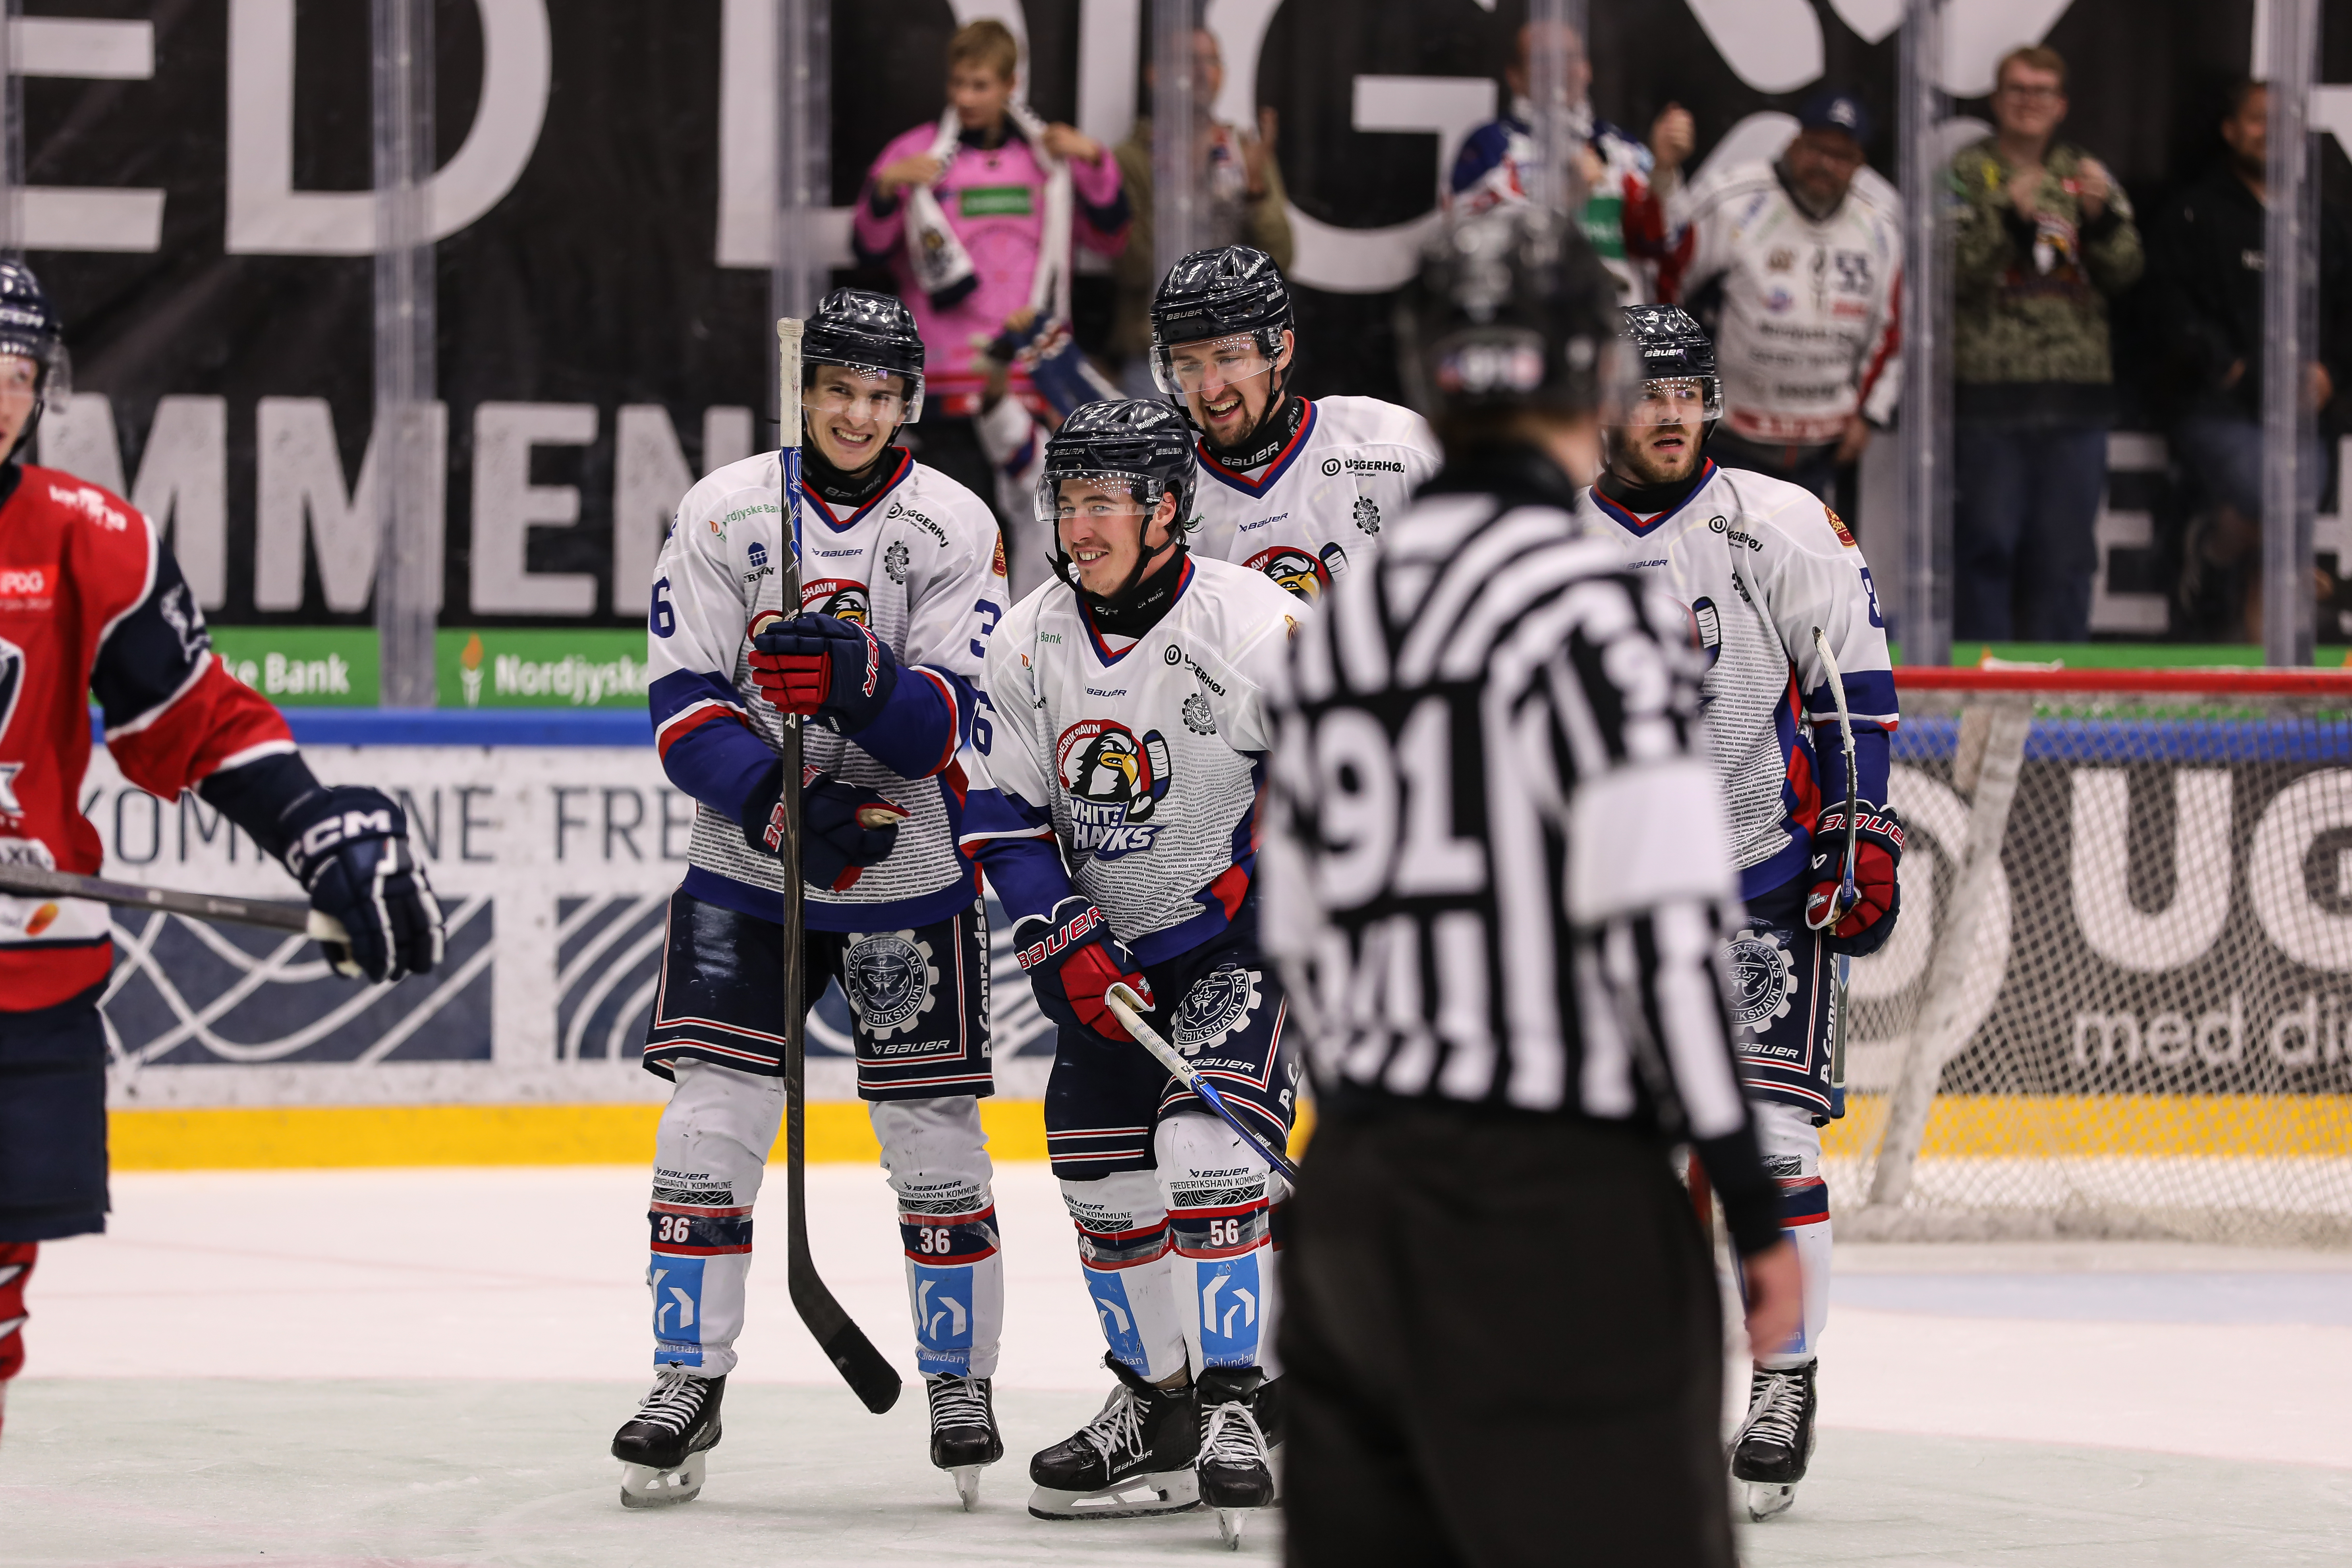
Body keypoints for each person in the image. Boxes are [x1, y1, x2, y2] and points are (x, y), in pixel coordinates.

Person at [1261, 206, 1802, 1566]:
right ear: (1592, 383)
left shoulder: (1342, 621)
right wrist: (1746, 1199)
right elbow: (1670, 938)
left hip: (1358, 1208)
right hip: (1557, 1212)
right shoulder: (1591, 602)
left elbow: (1303, 939)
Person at [0, 259, 444, 1440]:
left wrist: (312, 829)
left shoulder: (87, 539)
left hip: (28, 965)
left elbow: (197, 721)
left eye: (17, 371)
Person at [620, 289, 1010, 1508]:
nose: (856, 411)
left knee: (932, 1132)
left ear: (910, 401)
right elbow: (682, 703)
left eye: (880, 393)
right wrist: (773, 802)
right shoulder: (726, 507)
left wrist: (859, 678)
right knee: (708, 1122)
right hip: (752, 859)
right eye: (836, 388)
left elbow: (953, 717)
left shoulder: (955, 522)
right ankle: (688, 1374)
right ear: (808, 391)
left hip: (907, 860)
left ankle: (960, 1380)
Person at [957, 399, 1301, 1547]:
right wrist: (1053, 921)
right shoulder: (1029, 638)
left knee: (1204, 1148)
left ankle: (1239, 1405)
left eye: (1104, 500)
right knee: (1096, 1167)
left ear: (1164, 510)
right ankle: (1158, 1403)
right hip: (1104, 958)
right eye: (1068, 499)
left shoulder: (1252, 625)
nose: (1080, 524)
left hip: (1234, 940)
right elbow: (998, 801)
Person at [1580, 303, 1902, 1522]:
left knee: (1772, 1142)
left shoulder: (1779, 522)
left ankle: (1782, 1373)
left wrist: (1863, 828)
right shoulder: (1550, 541)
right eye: (1648, 391)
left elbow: (1854, 698)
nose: (1672, 411)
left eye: (1690, 390)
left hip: (1761, 884)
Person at [855, 18, 1129, 516]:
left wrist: (1094, 162)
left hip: (1034, 376)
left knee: (1048, 531)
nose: (966, 96)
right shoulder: (915, 155)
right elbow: (869, 252)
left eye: (980, 85)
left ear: (1010, 85)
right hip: (946, 381)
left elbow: (1112, 240)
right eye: (957, 83)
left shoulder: (1047, 161)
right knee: (956, 531)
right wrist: (885, 188)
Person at [2143, 77, 2352, 640]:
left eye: (2284, 122)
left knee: (2280, 509)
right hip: (2216, 409)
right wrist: (2232, 370)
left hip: (2302, 413)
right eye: (2258, 120)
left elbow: (2344, 316)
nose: (2270, 134)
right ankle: (2236, 555)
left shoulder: (2326, 224)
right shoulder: (2192, 214)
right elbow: (2170, 310)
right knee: (2278, 496)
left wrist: (2329, 373)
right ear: (2231, 131)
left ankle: (2218, 556)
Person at [1950, 43, 2143, 642]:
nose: (2028, 103)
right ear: (1996, 99)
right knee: (1986, 546)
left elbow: (2129, 273)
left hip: (2075, 394)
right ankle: (1978, 690)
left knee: (2064, 557)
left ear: (2060, 105)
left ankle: (2065, 703)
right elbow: (1947, 273)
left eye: (2041, 92)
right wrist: (2007, 215)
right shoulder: (1962, 173)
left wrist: (2101, 220)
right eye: (2017, 90)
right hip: (1989, 391)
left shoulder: (2088, 173)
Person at [1147, 245, 1440, 600]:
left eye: (1229, 359)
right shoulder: (1165, 507)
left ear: (1281, 350)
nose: (1210, 390)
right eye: (1189, 366)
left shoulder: (1393, 444)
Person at [1665, 91, 1902, 506]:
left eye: (1842, 155)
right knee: (1726, 567)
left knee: (1815, 570)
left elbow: (1894, 331)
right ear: (1794, 143)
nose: (1825, 165)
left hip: (1825, 449)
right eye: (1816, 148)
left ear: (1860, 162)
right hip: (1730, 440)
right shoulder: (1730, 200)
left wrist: (1869, 415)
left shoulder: (1880, 226)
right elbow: (1667, 289)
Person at [1448, 17, 1695, 304]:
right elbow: (1465, 244)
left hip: (1619, 330)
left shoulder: (1623, 150)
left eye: (1571, 58)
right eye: (1544, 60)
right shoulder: (1490, 146)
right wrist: (1564, 196)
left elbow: (1667, 252)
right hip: (1529, 324)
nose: (1561, 70)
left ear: (1587, 70)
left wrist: (1664, 173)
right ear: (1515, 76)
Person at [1110, 25, 1295, 398]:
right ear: (1155, 75)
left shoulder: (1244, 152)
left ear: (1222, 74)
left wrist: (1256, 192)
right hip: (1159, 364)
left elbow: (1282, 261)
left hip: (1238, 359)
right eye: (1186, 61)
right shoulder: (1132, 159)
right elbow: (1131, 268)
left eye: (1209, 61)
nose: (1198, 71)